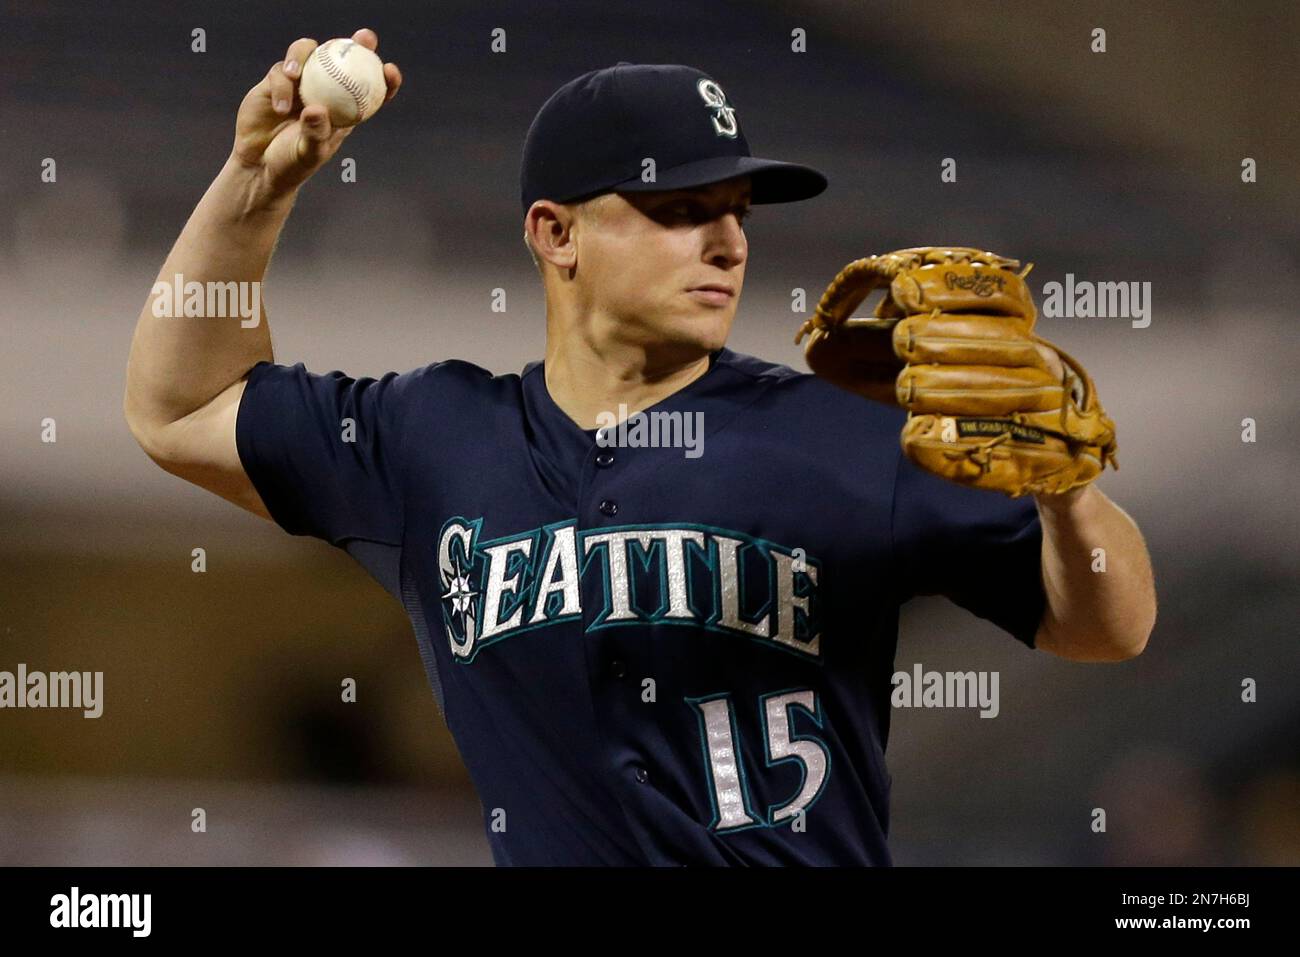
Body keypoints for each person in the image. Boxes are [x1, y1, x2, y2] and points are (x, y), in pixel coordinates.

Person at [124, 29, 1157, 865]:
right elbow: (181, 407)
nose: (726, 241)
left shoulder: (844, 435)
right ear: (554, 234)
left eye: (734, 211)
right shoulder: (434, 437)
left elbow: (1107, 625)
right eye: (677, 210)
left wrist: (1068, 495)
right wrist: (255, 186)